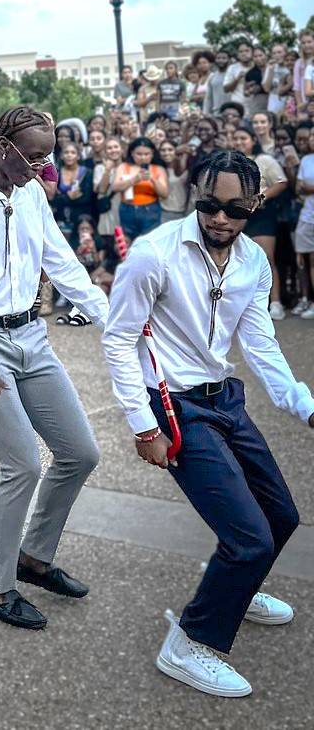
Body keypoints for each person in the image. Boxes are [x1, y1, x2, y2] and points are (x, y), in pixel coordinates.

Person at [102, 150, 309, 698]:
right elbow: (119, 339)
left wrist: (303, 404)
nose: (220, 219)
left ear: (255, 205)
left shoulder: (252, 263)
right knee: (248, 539)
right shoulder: (153, 254)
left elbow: (260, 342)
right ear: (195, 192)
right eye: (211, 205)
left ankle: (236, 588)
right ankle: (189, 643)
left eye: (236, 209)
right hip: (175, 408)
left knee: (280, 517)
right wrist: (143, 426)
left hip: (225, 401)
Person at [0, 106, 108, 630]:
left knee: (80, 453)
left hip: (32, 334)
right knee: (23, 465)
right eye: (33, 157)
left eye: (48, 157)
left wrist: (113, 318)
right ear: (2, 146)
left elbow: (60, 260)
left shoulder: (30, 191)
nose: (43, 167)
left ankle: (34, 558)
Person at [230, 126, 289, 320]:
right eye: (236, 138)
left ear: (253, 140)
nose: (239, 142)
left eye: (243, 138)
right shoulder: (230, 162)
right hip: (237, 215)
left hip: (262, 214)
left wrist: (261, 197)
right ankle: (247, 306)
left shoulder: (264, 160)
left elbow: (281, 182)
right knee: (238, 260)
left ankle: (276, 302)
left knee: (266, 258)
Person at [112, 137, 169, 241]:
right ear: (132, 153)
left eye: (146, 154)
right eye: (139, 154)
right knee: (128, 241)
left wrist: (152, 179)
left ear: (152, 153)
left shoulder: (158, 169)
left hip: (150, 210)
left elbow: (164, 194)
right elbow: (115, 187)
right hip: (127, 209)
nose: (143, 157)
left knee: (150, 241)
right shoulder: (124, 166)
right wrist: (135, 179)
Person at [295, 149, 314, 320]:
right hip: (307, 216)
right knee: (302, 260)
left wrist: (310, 188)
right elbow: (299, 188)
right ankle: (305, 299)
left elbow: (306, 187)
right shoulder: (306, 159)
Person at [159, 140, 190, 223]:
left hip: (182, 213)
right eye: (163, 150)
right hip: (163, 212)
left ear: (176, 151)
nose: (166, 153)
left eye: (170, 150)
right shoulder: (159, 168)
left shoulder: (184, 168)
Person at [224, 42, 254, 107]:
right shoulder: (232, 68)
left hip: (255, 107)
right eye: (240, 51)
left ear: (252, 52)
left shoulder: (257, 67)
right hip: (237, 107)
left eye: (247, 51)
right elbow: (226, 89)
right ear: (238, 54)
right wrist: (237, 79)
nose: (244, 54)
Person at [204, 50, 232, 117]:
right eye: (218, 58)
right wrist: (206, 112)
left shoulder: (233, 75)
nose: (221, 60)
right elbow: (208, 97)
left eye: (224, 58)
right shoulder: (212, 77)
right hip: (217, 113)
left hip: (232, 112)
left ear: (229, 60)